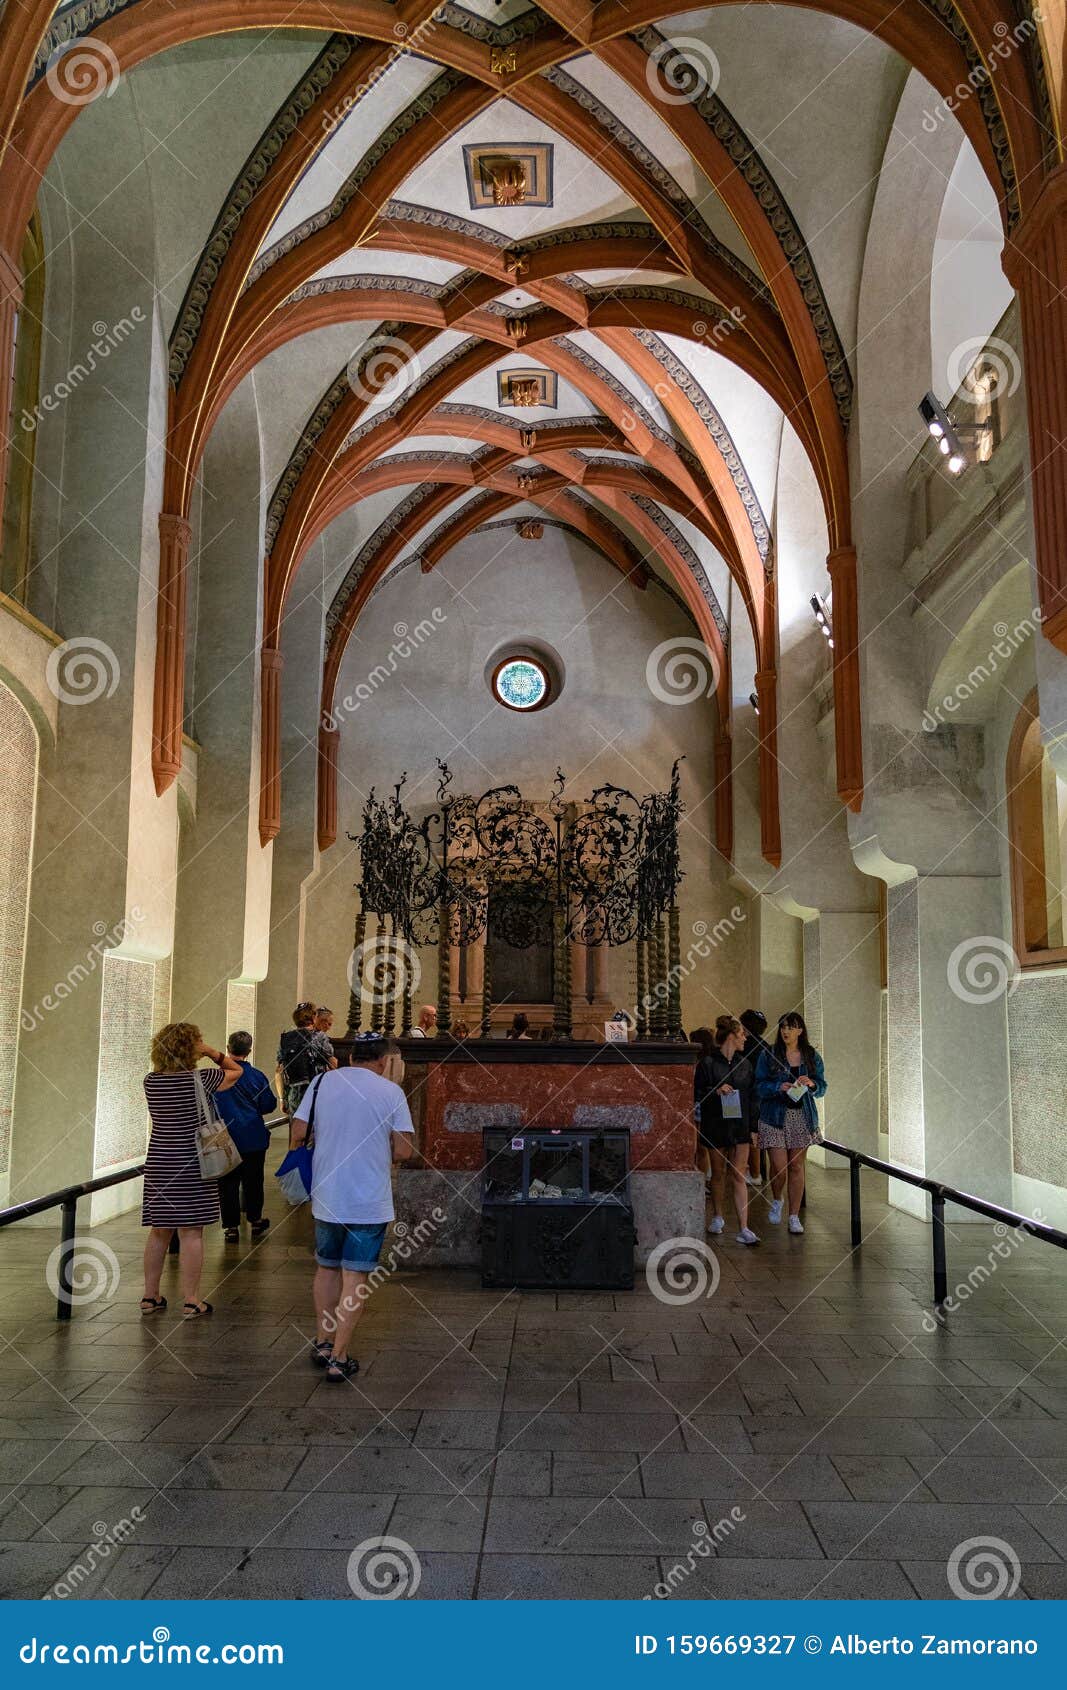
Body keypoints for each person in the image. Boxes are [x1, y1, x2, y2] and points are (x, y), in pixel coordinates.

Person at [292, 1034, 415, 1381]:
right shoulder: (391, 1092)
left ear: (350, 1057)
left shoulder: (320, 1082)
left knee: (326, 1268)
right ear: (385, 1061)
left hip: (327, 1195)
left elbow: (299, 1130)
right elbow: (404, 1151)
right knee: (354, 1277)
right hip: (368, 1202)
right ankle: (340, 1358)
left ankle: (323, 1341)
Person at [141, 1022, 242, 1318]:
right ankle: (191, 1300)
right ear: (192, 1048)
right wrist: (212, 1051)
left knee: (159, 1232)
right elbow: (237, 1071)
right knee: (191, 1233)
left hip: (160, 1161)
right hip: (194, 1162)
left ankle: (150, 1297)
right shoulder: (204, 1077)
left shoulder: (151, 1081)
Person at [755, 1011, 827, 1234]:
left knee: (796, 1166)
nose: (785, 1031)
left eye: (790, 1027)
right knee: (779, 1167)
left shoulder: (811, 1055)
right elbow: (758, 1085)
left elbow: (822, 1086)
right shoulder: (768, 1054)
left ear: (800, 1030)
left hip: (801, 1116)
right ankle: (777, 1199)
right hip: (774, 1116)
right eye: (783, 1026)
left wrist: (812, 1084)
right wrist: (778, 1087)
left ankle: (794, 1216)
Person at [694, 1015, 759, 1246]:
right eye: (742, 1034)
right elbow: (697, 1093)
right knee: (718, 1172)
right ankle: (718, 1216)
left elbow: (753, 1097)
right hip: (716, 1122)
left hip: (739, 1124)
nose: (745, 1038)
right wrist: (716, 1090)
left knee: (739, 1174)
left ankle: (744, 1227)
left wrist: (753, 1128)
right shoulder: (708, 1063)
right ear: (731, 1035)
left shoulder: (746, 1064)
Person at [215, 1031, 277, 1243]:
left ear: (228, 1048)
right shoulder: (257, 1076)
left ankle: (231, 1227)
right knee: (254, 1181)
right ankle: (255, 1219)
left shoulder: (217, 1075)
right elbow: (268, 1105)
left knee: (227, 1184)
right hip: (253, 1137)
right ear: (249, 1051)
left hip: (224, 1138)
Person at [278, 1004, 332, 1119]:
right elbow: (333, 1063)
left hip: (294, 1093)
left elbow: (279, 1071)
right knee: (316, 1131)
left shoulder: (286, 1039)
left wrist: (282, 1099)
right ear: (313, 1018)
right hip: (316, 1092)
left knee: (297, 1130)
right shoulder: (320, 1037)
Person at [738, 1009, 769, 1186]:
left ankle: (755, 1173)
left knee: (751, 1135)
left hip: (750, 1095)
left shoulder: (746, 1045)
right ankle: (756, 1171)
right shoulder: (765, 1045)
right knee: (755, 1133)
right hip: (761, 1095)